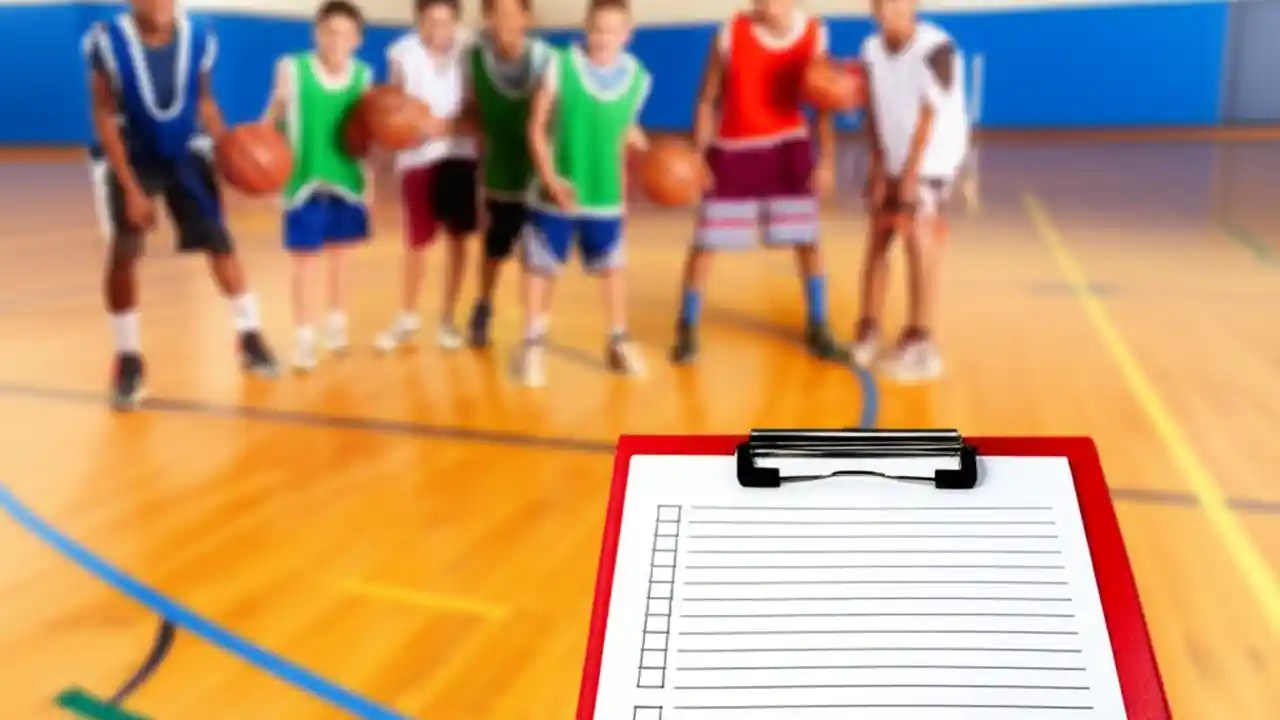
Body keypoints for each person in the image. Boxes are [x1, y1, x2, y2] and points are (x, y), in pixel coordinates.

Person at [83, 0, 279, 411]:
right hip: (130, 154)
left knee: (221, 243)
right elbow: (102, 114)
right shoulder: (107, 41)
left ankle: (250, 336)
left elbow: (204, 100)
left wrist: (228, 148)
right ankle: (128, 358)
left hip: (187, 152)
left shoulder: (201, 36)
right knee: (125, 250)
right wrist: (130, 187)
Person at [670, 0, 845, 365]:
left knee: (807, 241)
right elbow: (706, 100)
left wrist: (826, 160)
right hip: (733, 150)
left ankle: (819, 324)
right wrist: (698, 156)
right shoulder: (730, 34)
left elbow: (824, 105)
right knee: (706, 243)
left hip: (790, 148)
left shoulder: (814, 34)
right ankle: (686, 326)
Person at [518, 0, 650, 388]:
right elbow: (536, 126)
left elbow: (625, 131)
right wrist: (549, 177)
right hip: (556, 189)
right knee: (541, 267)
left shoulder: (638, 77)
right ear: (585, 29)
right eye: (597, 29)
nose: (604, 37)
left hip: (605, 193)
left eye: (613, 30)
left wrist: (645, 153)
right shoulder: (561, 65)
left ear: (628, 35)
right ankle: (532, 342)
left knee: (612, 269)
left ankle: (617, 339)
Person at [855, 0, 969, 381]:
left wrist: (910, 173)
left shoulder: (938, 49)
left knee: (918, 237)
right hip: (892, 154)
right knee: (878, 237)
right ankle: (867, 328)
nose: (888, 7)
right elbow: (871, 110)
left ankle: (921, 340)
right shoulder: (870, 49)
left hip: (933, 158)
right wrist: (875, 166)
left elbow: (928, 116)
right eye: (880, 2)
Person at [261, 0, 372, 372]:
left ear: (357, 39)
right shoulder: (291, 69)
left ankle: (336, 327)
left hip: (347, 180)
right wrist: (261, 162)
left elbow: (366, 134)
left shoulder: (364, 76)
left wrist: (370, 178)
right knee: (305, 264)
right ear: (317, 33)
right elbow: (272, 118)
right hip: (303, 179)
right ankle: (305, 338)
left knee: (341, 261)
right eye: (330, 31)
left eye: (345, 33)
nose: (337, 39)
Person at [374, 0, 478, 352]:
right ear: (418, 21)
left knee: (458, 239)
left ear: (456, 22)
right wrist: (414, 126)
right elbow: (391, 111)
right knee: (417, 242)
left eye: (445, 21)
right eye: (429, 21)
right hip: (417, 158)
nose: (437, 29)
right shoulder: (402, 54)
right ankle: (407, 315)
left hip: (460, 155)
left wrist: (445, 126)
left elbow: (479, 113)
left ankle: (448, 317)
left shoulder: (472, 50)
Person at [462, 0, 553, 348]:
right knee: (495, 247)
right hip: (500, 170)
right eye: (496, 12)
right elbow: (471, 109)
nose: (504, 20)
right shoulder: (473, 59)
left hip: (538, 170)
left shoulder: (547, 59)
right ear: (486, 17)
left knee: (539, 252)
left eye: (513, 12)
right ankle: (483, 305)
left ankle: (535, 325)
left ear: (527, 16)